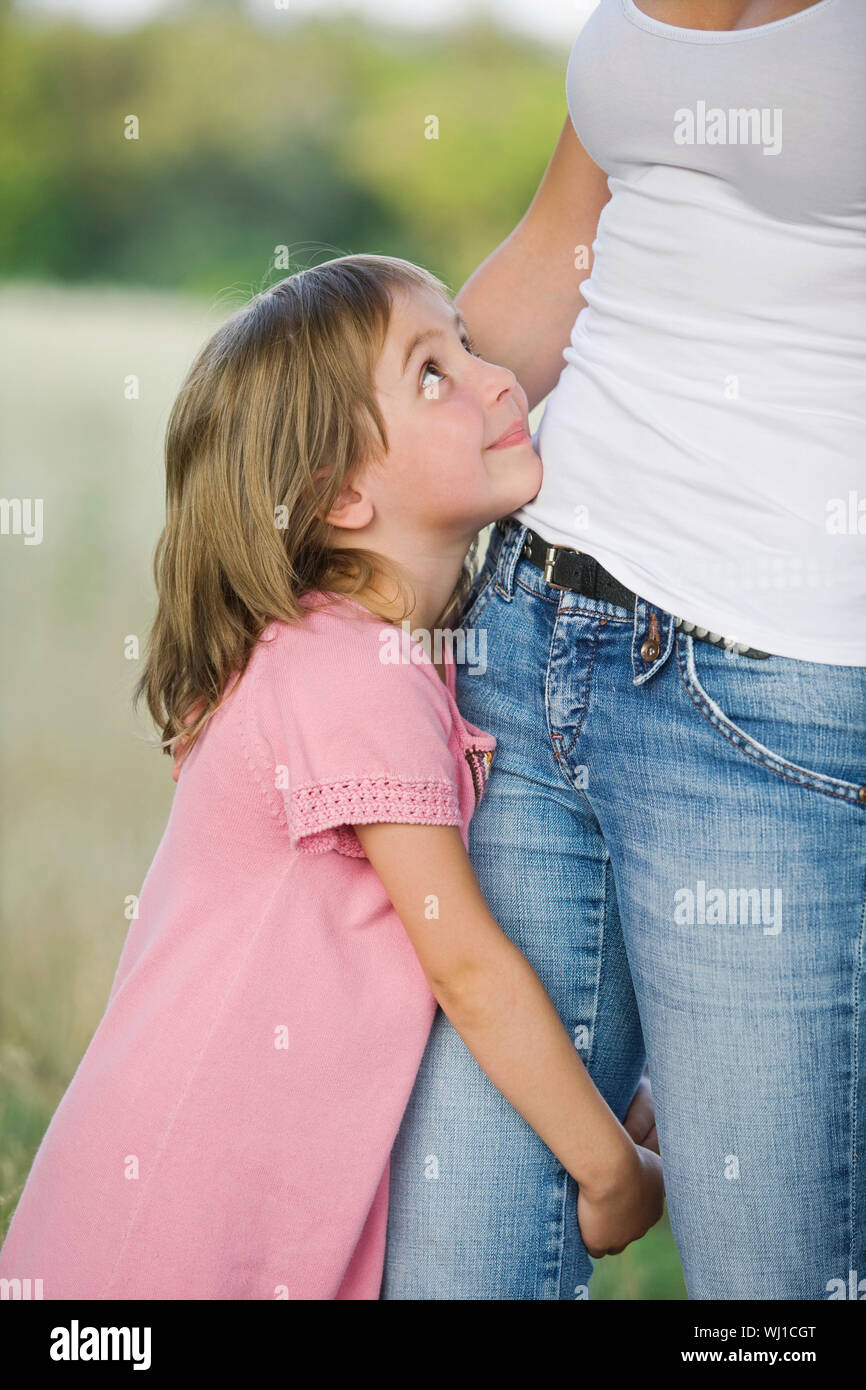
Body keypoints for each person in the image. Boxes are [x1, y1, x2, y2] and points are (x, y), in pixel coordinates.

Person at [0, 254, 663, 1300]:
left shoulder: (352, 651)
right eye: (431, 374)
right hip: (177, 1227)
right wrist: (608, 1168)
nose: (498, 381)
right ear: (339, 492)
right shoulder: (356, 671)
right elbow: (466, 969)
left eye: (469, 345)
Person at [382, 0, 866, 1300]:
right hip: (530, 629)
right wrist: (330, 503)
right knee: (455, 1265)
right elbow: (558, 253)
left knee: (769, 1286)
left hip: (776, 695)